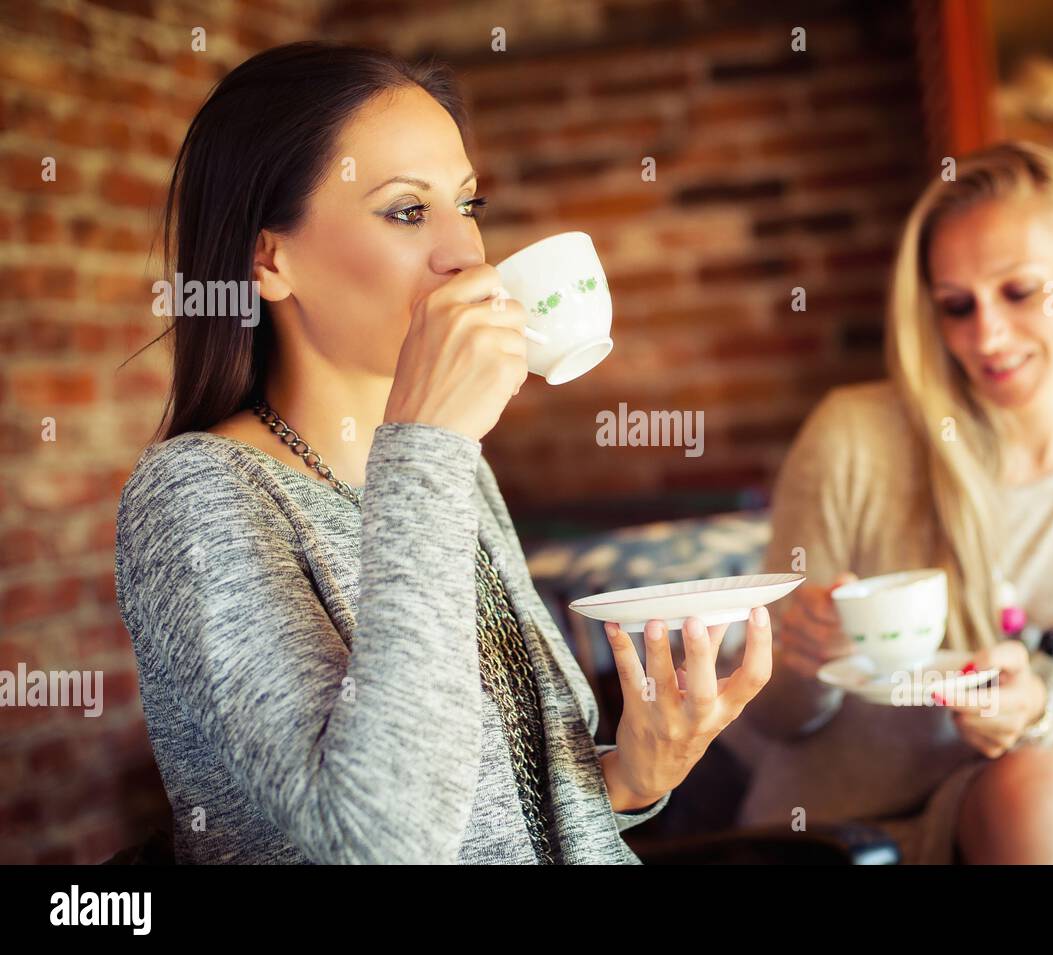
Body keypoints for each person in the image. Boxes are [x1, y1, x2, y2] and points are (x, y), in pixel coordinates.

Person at [114, 41, 771, 864]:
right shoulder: (198, 494)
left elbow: (499, 814)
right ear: (268, 259)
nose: (467, 252)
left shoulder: (452, 469)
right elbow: (379, 839)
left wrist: (633, 777)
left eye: (469, 202)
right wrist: (429, 446)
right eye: (406, 210)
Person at [732, 141, 1053, 864]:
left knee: (1032, 789)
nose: (986, 337)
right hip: (847, 830)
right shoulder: (854, 436)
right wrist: (802, 659)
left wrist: (1039, 717)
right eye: (956, 307)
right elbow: (772, 718)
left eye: (1019, 291)